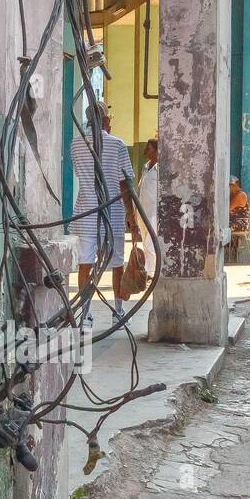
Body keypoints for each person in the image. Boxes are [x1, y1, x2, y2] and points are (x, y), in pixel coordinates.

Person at [70, 101, 138, 328]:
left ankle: (85, 315)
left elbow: (79, 174)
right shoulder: (117, 144)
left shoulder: (75, 144)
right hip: (113, 213)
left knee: (85, 263)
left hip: (85, 212)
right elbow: (125, 184)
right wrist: (132, 214)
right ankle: (118, 312)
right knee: (116, 262)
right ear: (106, 121)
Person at [137, 138, 159, 278]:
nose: (146, 151)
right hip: (141, 210)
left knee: (151, 242)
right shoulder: (146, 167)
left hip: (154, 211)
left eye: (149, 148)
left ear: (156, 150)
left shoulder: (160, 169)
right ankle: (149, 270)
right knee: (145, 241)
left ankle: (150, 272)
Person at [227, 177, 249, 265]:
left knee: (220, 229)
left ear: (235, 185)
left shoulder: (241, 195)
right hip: (235, 222)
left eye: (231, 185)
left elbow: (227, 209)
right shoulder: (234, 195)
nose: (229, 188)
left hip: (240, 223)